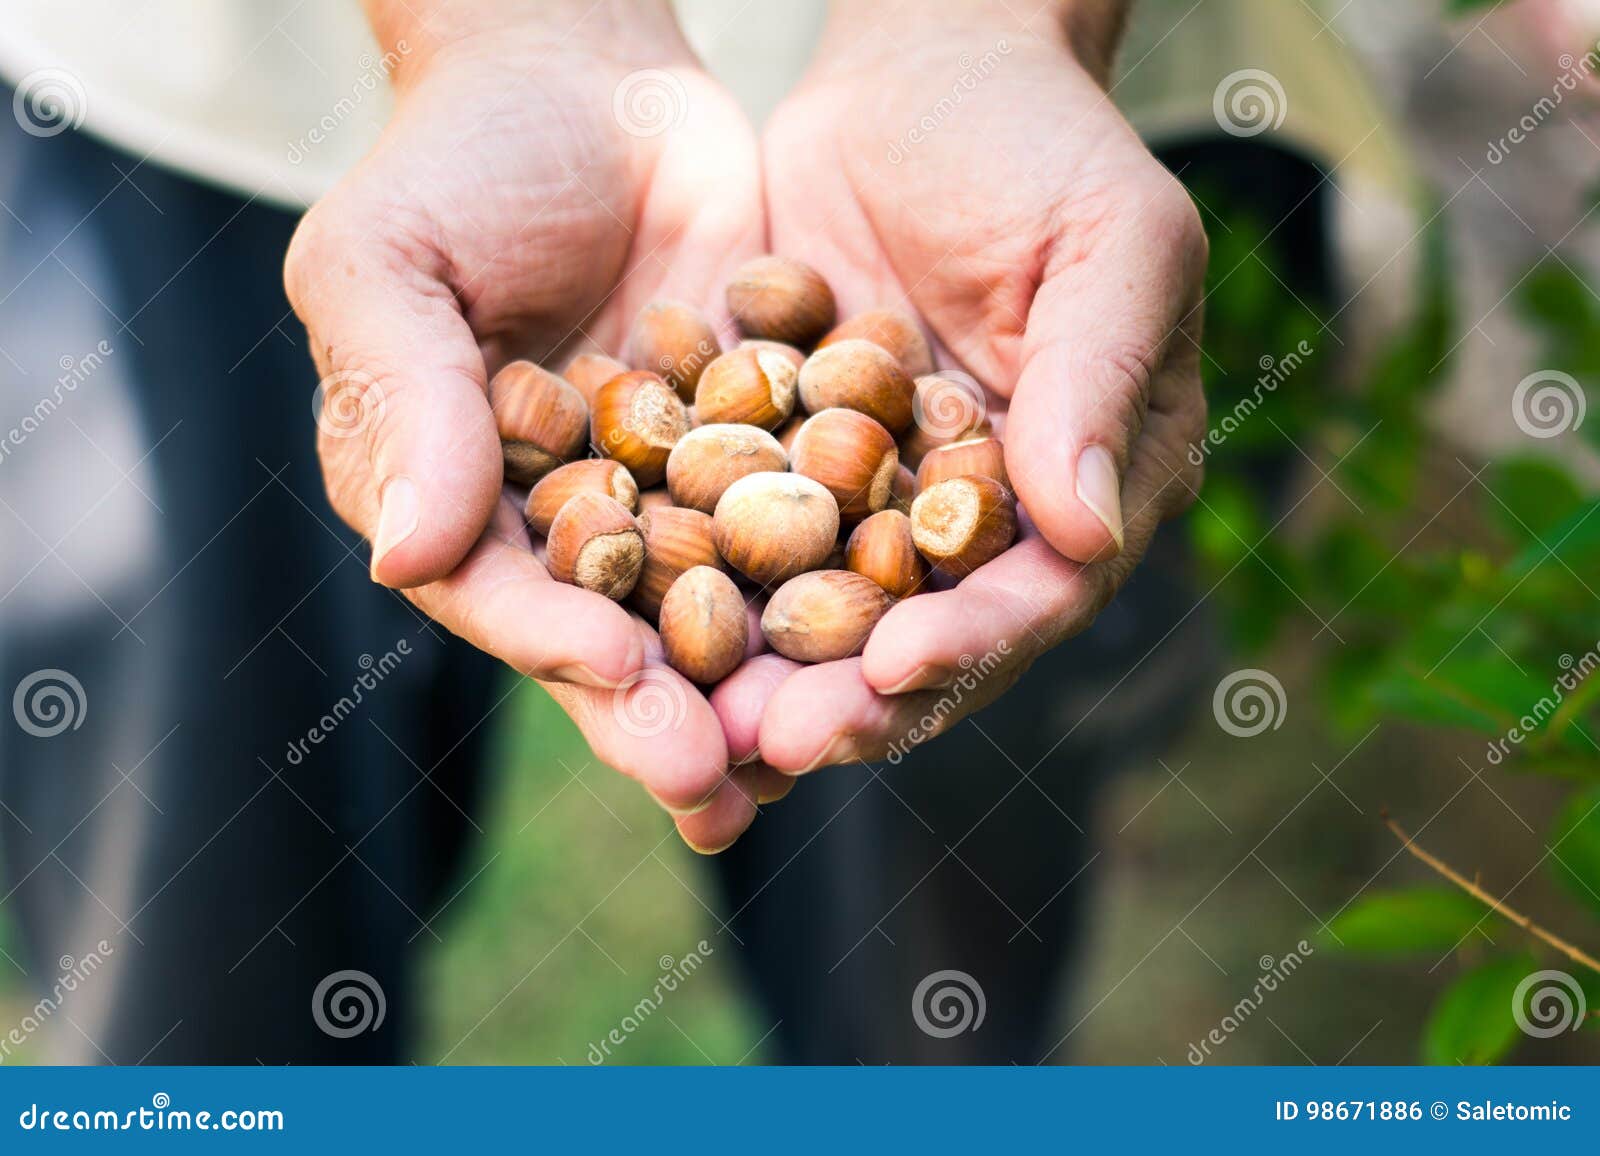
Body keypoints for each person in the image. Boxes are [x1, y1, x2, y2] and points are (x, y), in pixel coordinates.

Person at [0, 0, 1235, 1063]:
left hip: (988, 223)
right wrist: (517, 33)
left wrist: (987, 32)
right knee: (201, 963)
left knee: (932, 1001)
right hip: (230, 111)